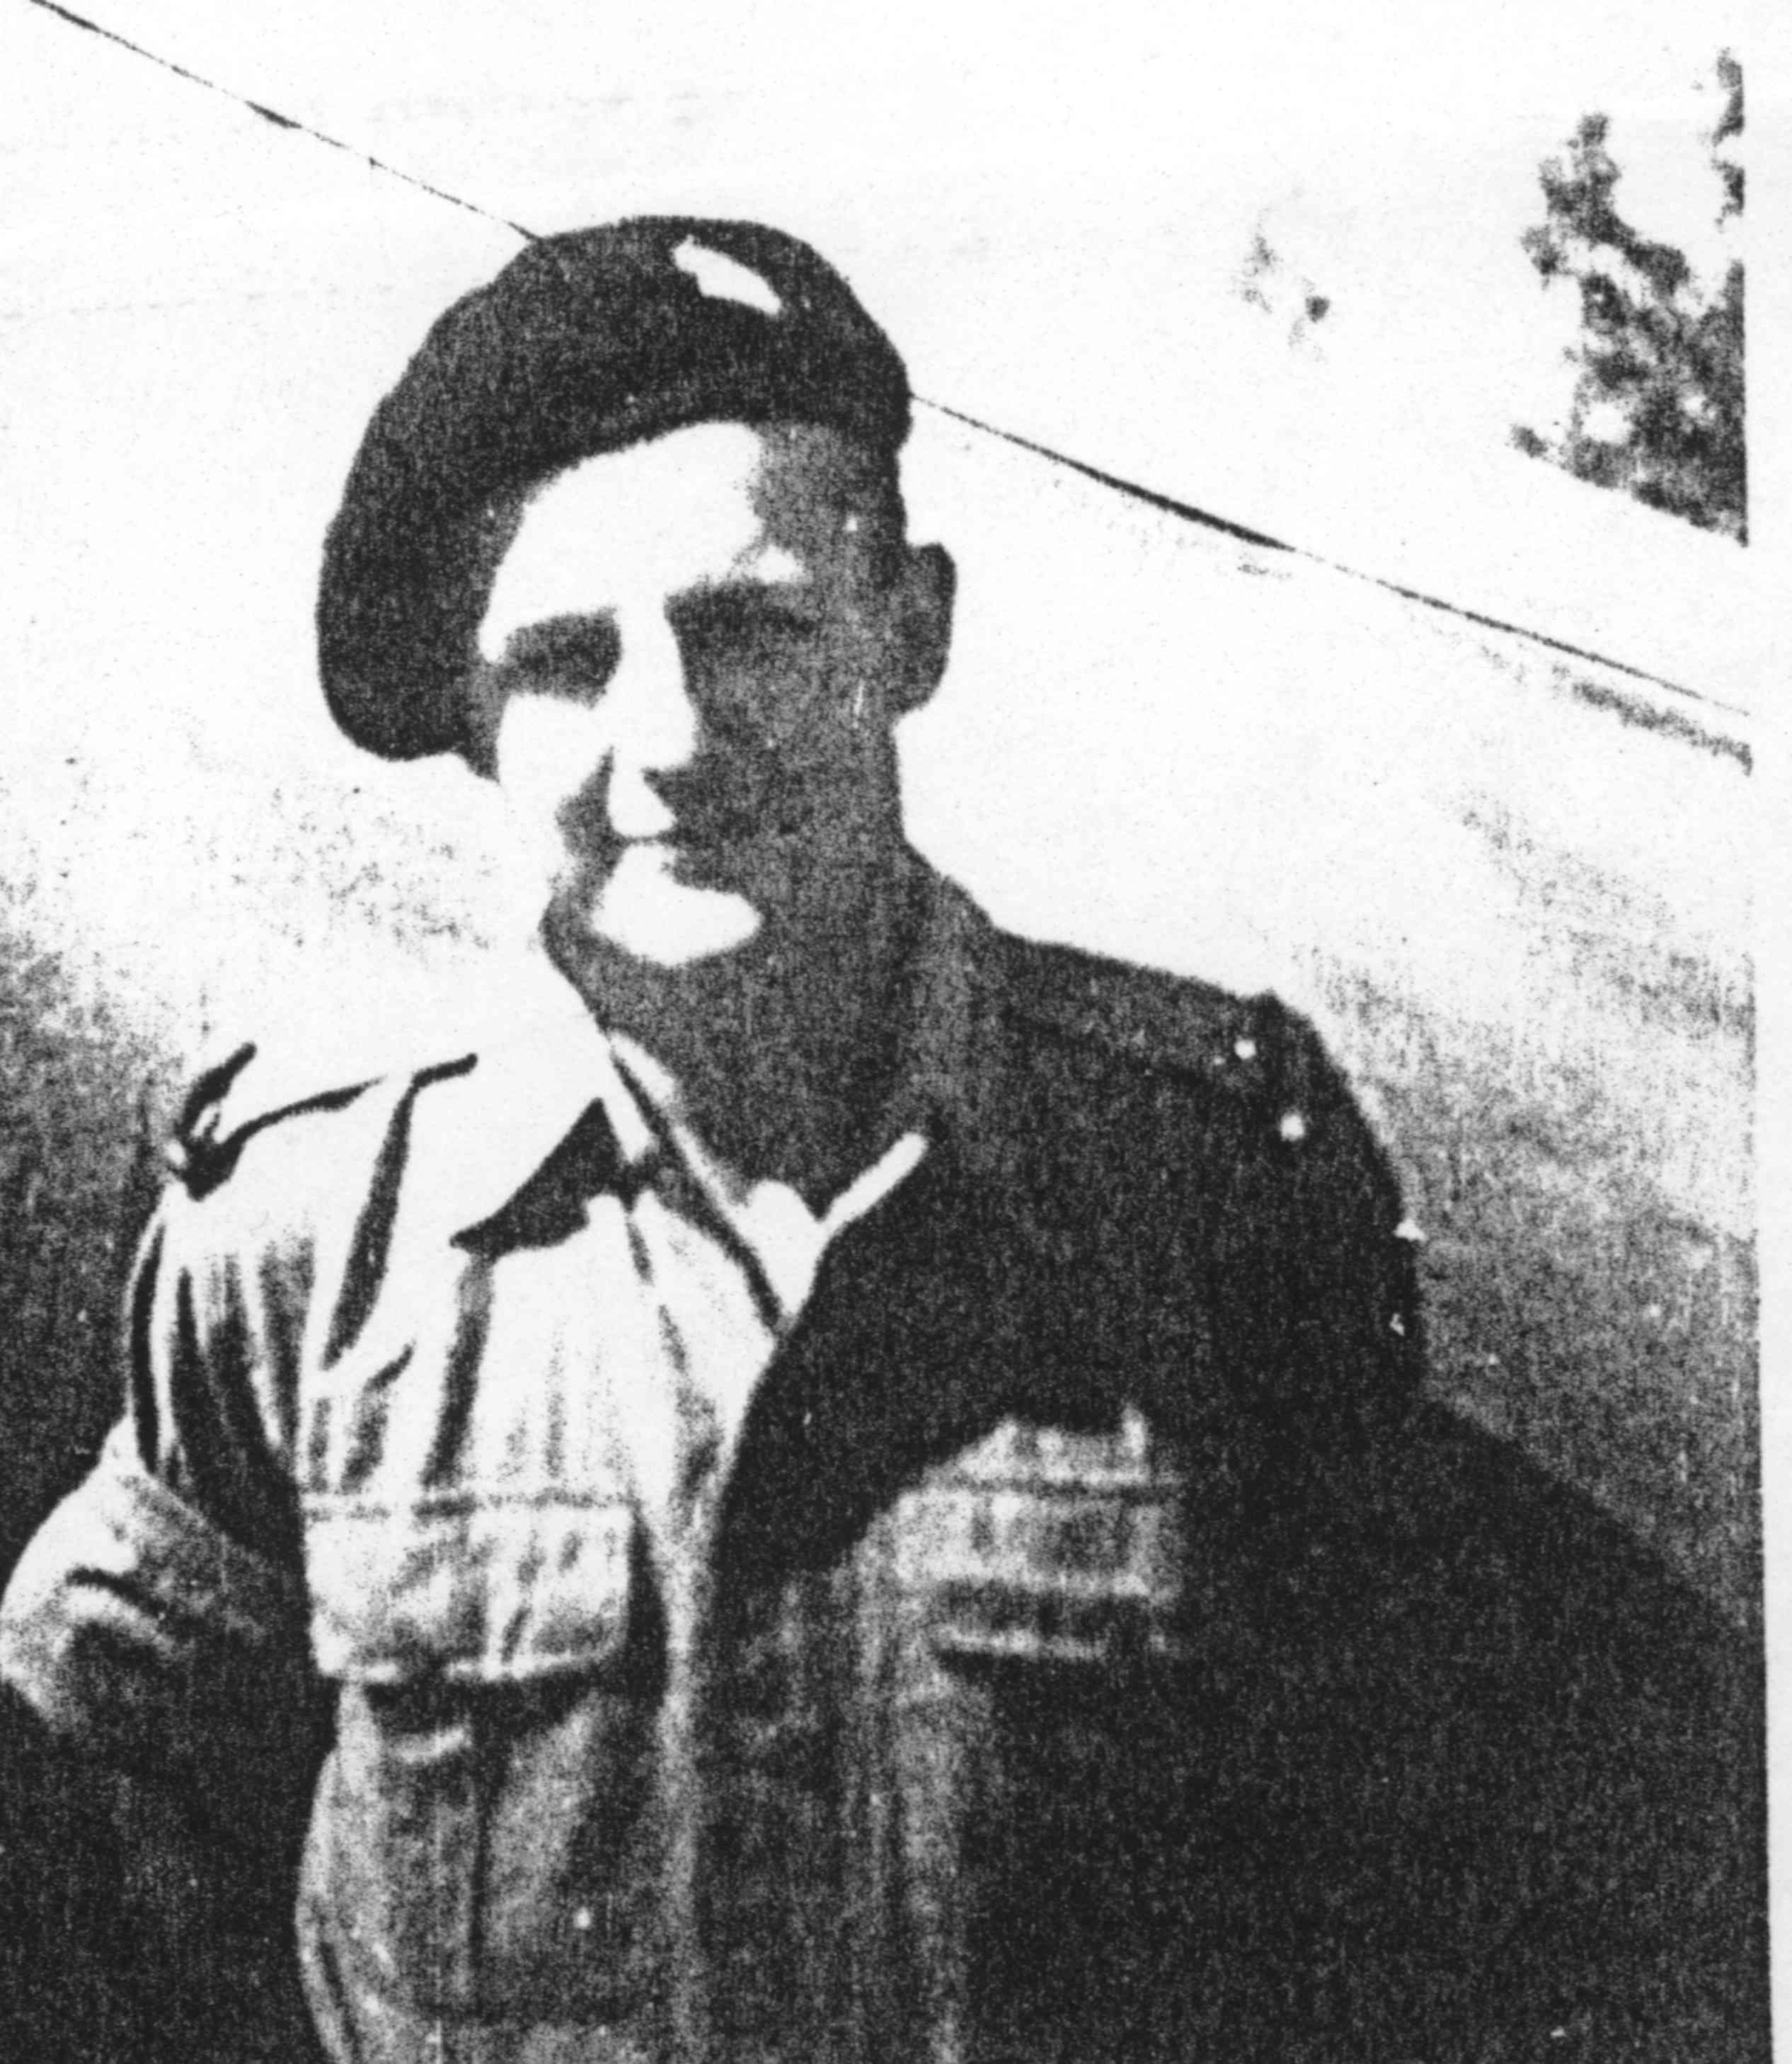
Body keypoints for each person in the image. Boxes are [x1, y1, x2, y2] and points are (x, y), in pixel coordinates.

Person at [0, 218, 1425, 2063]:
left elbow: (1397, 1870)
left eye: (751, 627)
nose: (668, 740)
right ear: (468, 721)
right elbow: (88, 1832)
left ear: (910, 631)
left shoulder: (1213, 1177)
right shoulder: (303, 1231)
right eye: (563, 661)